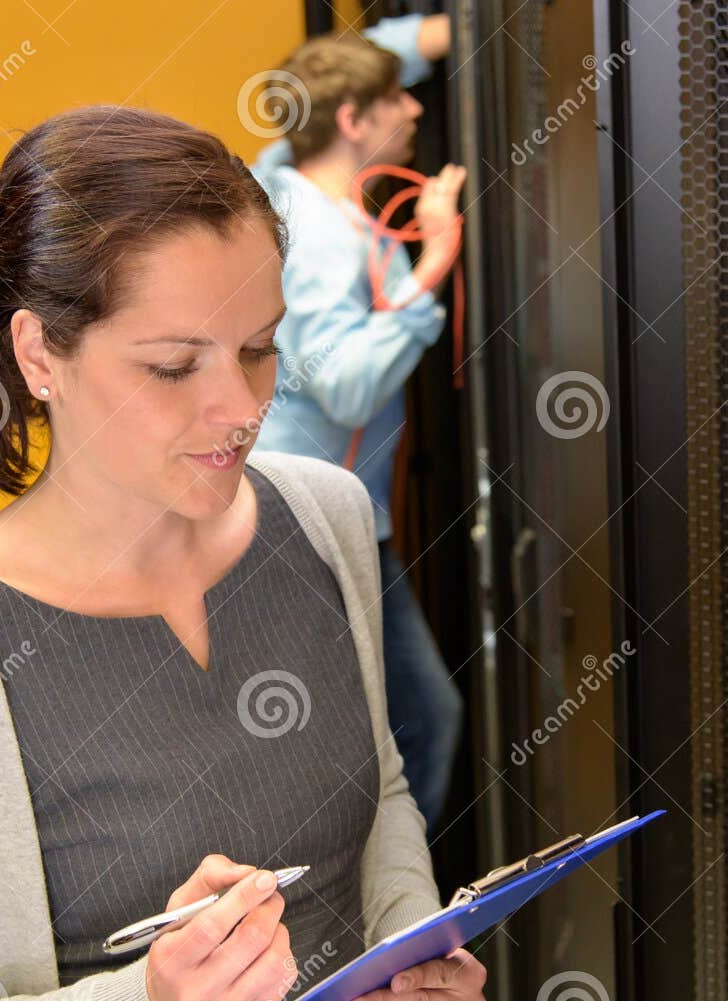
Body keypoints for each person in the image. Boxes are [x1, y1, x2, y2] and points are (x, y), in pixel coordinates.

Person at [0, 105, 488, 1001]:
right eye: (174, 367)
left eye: (260, 347)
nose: (244, 408)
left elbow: (378, 797)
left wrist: (409, 953)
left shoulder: (326, 517)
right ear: (38, 354)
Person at [249, 13, 465, 836]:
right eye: (395, 99)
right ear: (351, 121)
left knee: (374, 729)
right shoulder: (323, 236)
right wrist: (436, 265)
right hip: (312, 523)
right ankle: (390, 929)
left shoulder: (280, 182)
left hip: (316, 515)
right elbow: (341, 386)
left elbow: (324, 88)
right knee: (421, 723)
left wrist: (447, 31)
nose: (414, 110)